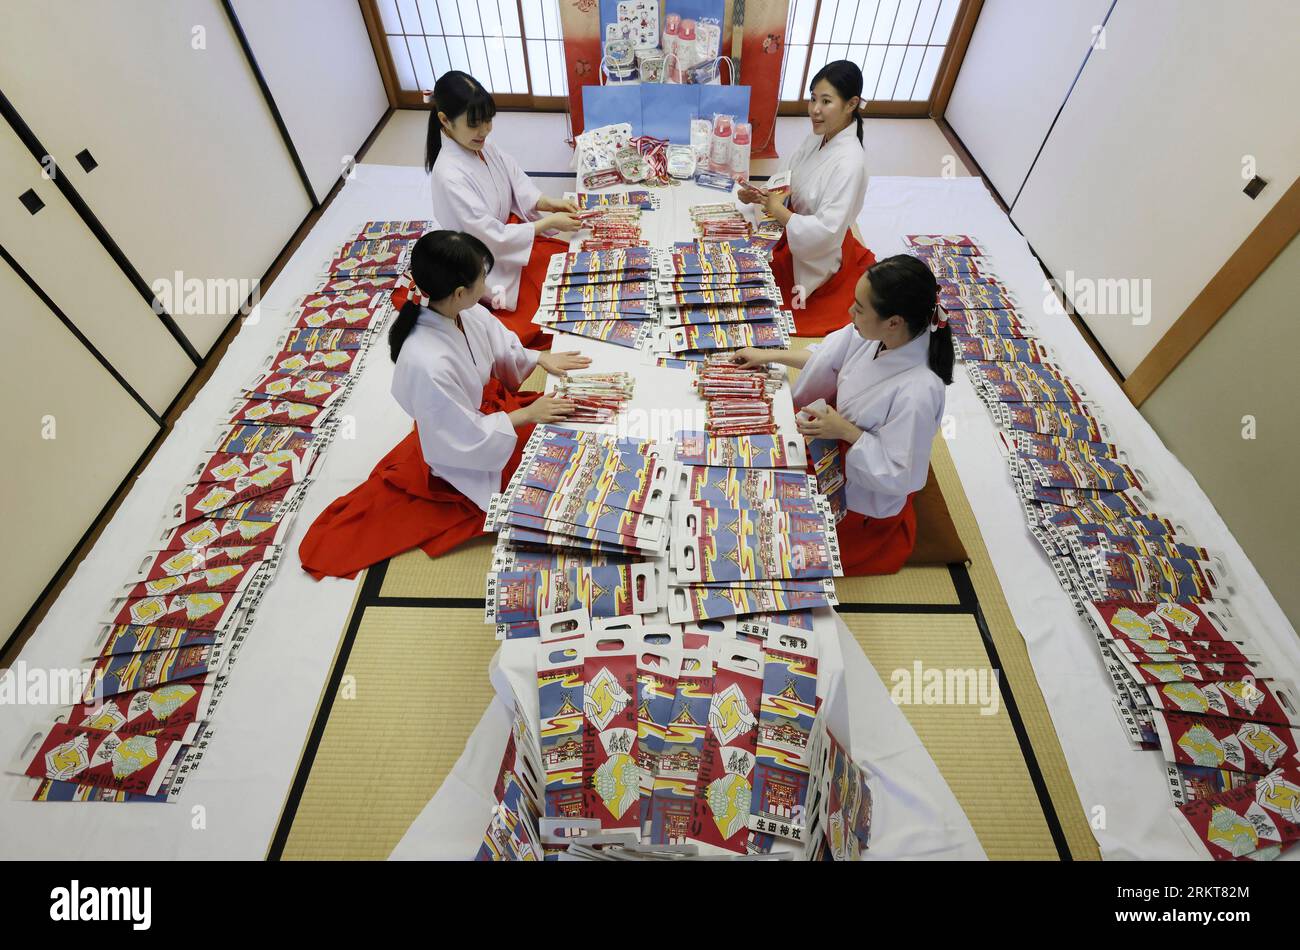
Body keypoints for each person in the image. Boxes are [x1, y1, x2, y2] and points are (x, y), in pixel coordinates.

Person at [299, 230, 591, 579]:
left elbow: (500, 344)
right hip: (460, 441)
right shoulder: (428, 361)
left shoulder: (458, 311)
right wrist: (526, 414)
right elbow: (460, 435)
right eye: (482, 277)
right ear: (459, 292)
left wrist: (538, 358)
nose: (487, 282)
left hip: (481, 415)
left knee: (563, 430)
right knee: (546, 483)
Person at [733, 255, 952, 575]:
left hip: (861, 486)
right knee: (751, 469)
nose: (850, 313)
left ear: (893, 322)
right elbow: (825, 357)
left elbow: (902, 474)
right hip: (834, 441)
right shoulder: (878, 334)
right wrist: (767, 354)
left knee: (773, 536)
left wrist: (847, 431)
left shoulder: (919, 390)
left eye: (860, 309)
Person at [426, 70, 582, 347]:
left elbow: (514, 180)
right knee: (541, 318)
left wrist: (547, 203)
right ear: (445, 121)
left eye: (488, 120)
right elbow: (487, 235)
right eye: (475, 124)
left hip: (507, 238)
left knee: (568, 270)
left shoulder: (480, 145)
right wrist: (544, 224)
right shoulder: (449, 175)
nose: (485, 130)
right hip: (481, 261)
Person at [738, 60, 874, 337]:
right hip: (797, 233)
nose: (815, 110)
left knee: (754, 298)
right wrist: (762, 196)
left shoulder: (850, 162)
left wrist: (780, 213)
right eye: (813, 99)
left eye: (826, 101)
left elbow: (826, 231)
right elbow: (791, 179)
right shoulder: (820, 136)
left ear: (851, 104)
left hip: (819, 257)